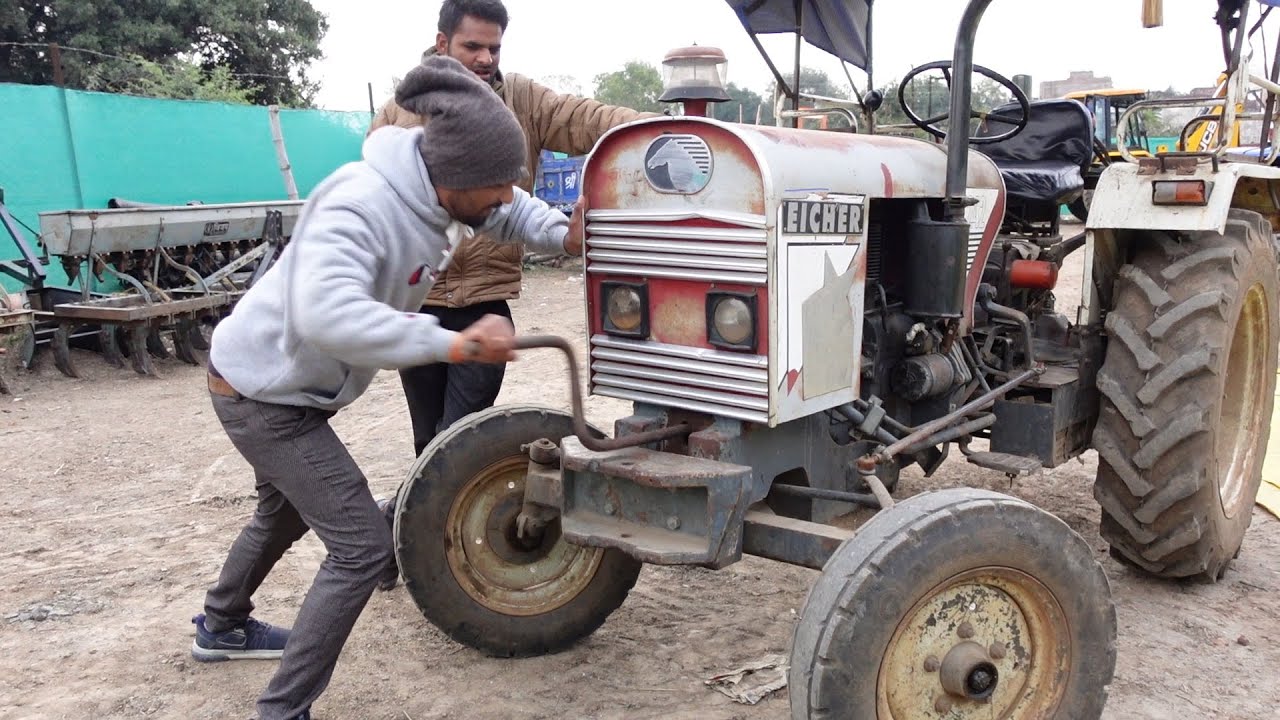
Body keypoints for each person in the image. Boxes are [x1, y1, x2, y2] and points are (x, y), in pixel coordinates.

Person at [188, 54, 582, 720]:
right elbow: (327, 315)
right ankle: (282, 711)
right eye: (494, 188)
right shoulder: (359, 204)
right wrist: (451, 342)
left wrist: (564, 233)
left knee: (281, 511)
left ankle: (221, 625)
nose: (501, 199)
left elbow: (510, 213)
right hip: (261, 397)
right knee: (362, 549)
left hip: (280, 390)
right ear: (454, 177)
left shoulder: (451, 188)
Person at [368, 0, 660, 461]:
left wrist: (663, 127)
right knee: (428, 437)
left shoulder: (523, 101)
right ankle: (420, 522)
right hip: (418, 302)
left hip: (485, 302)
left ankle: (414, 518)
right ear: (442, 43)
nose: (486, 58)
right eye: (473, 46)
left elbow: (586, 119)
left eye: (494, 48)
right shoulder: (398, 113)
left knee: (460, 435)